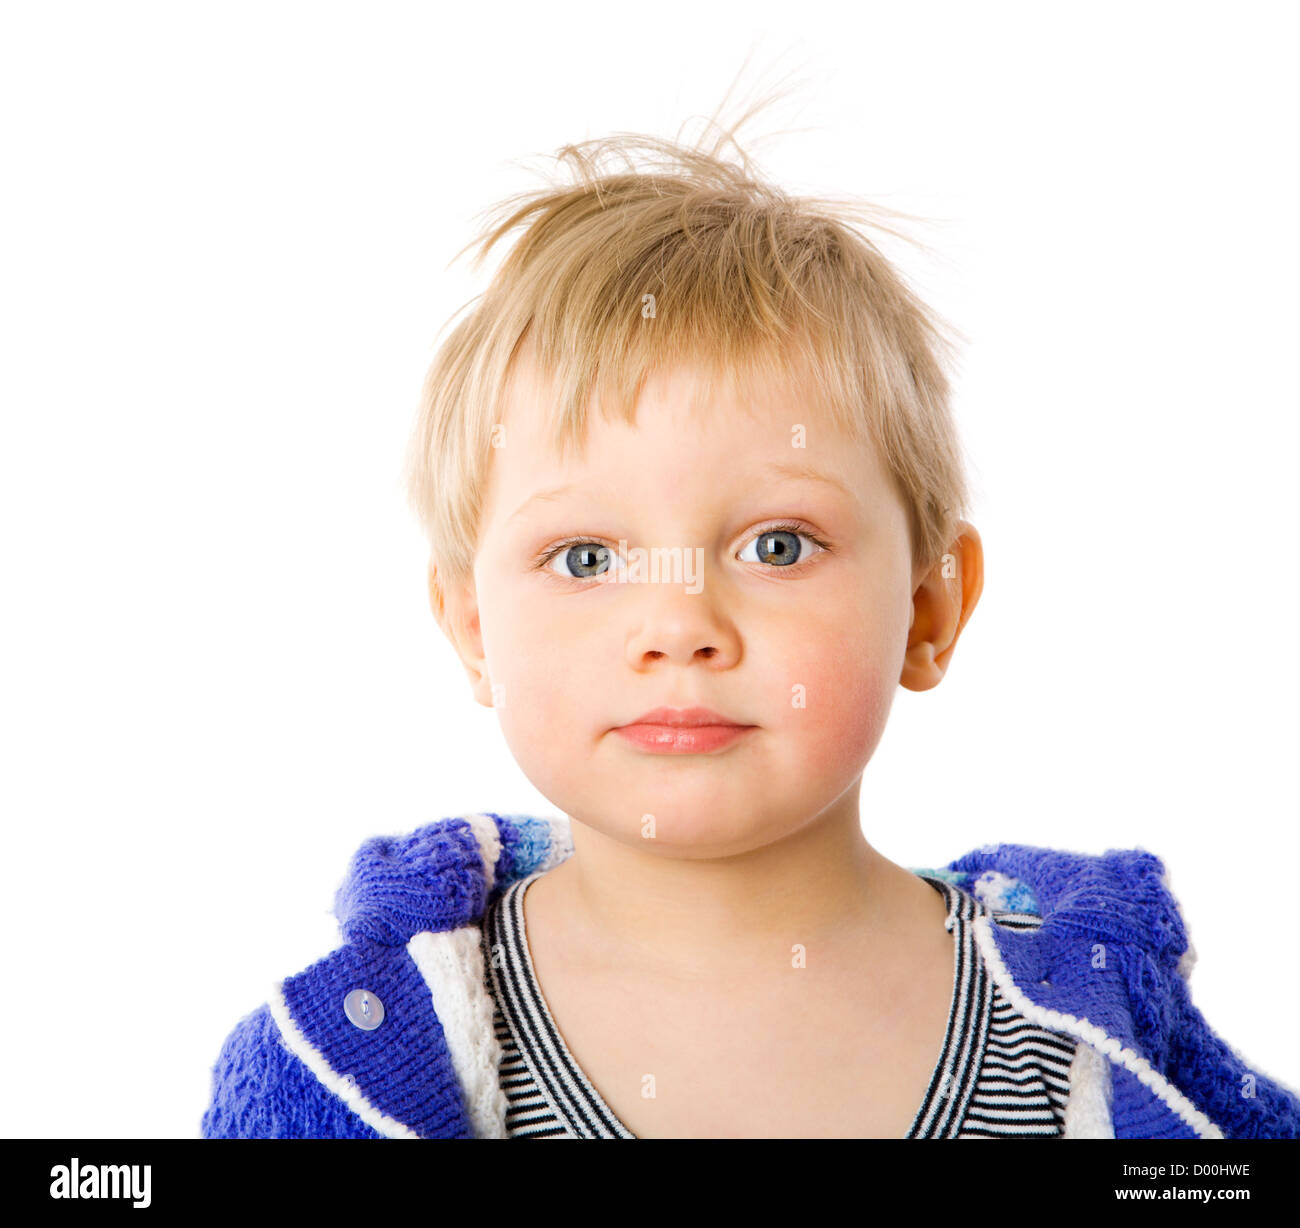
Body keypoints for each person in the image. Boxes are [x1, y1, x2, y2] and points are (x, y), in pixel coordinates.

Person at [200, 117, 1300, 1140]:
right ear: (473, 628)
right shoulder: (350, 1057)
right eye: (585, 558)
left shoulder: (1095, 1030)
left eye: (777, 545)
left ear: (929, 608)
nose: (679, 626)